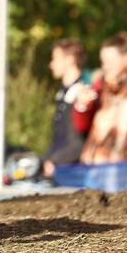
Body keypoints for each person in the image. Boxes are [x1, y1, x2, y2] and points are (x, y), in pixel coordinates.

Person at [73, 31, 127, 164]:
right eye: (103, 62)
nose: (106, 66)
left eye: (110, 61)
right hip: (95, 161)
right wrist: (82, 105)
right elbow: (82, 126)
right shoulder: (99, 86)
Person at [42, 38, 87, 178]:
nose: (51, 64)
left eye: (55, 58)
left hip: (70, 171)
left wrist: (53, 161)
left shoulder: (81, 94)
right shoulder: (63, 94)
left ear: (70, 60)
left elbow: (76, 144)